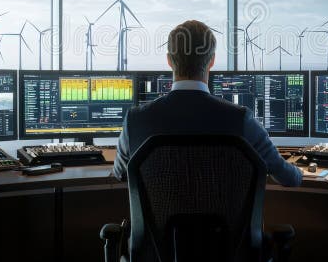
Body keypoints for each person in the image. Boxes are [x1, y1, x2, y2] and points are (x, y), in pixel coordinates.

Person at [113, 19, 302, 187]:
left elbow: (120, 175)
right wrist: (303, 170)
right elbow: (288, 178)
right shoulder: (240, 120)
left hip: (158, 228)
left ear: (169, 60)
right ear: (212, 61)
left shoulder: (135, 120)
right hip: (227, 228)